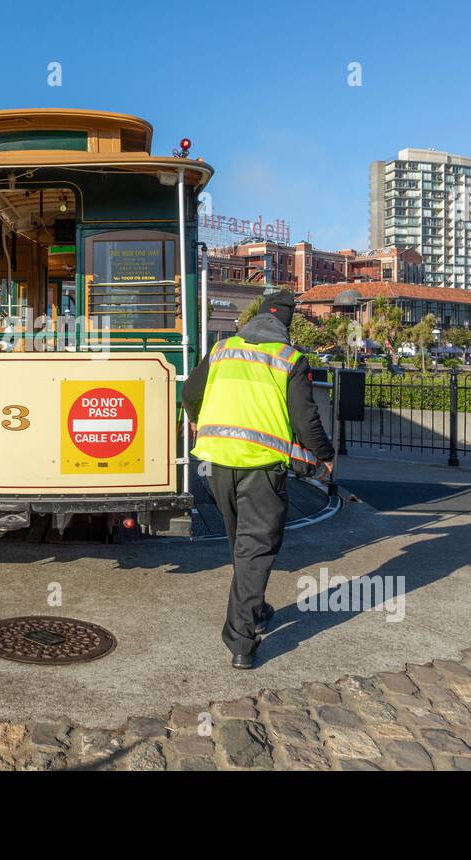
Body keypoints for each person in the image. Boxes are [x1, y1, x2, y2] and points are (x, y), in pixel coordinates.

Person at [182, 286, 336, 669]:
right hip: (261, 467)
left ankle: (256, 608)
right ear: (286, 324)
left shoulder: (222, 350)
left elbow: (189, 392)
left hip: (216, 464)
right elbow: (306, 420)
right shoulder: (290, 359)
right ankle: (241, 642)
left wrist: (196, 417)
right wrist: (326, 456)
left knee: (242, 544)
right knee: (255, 549)